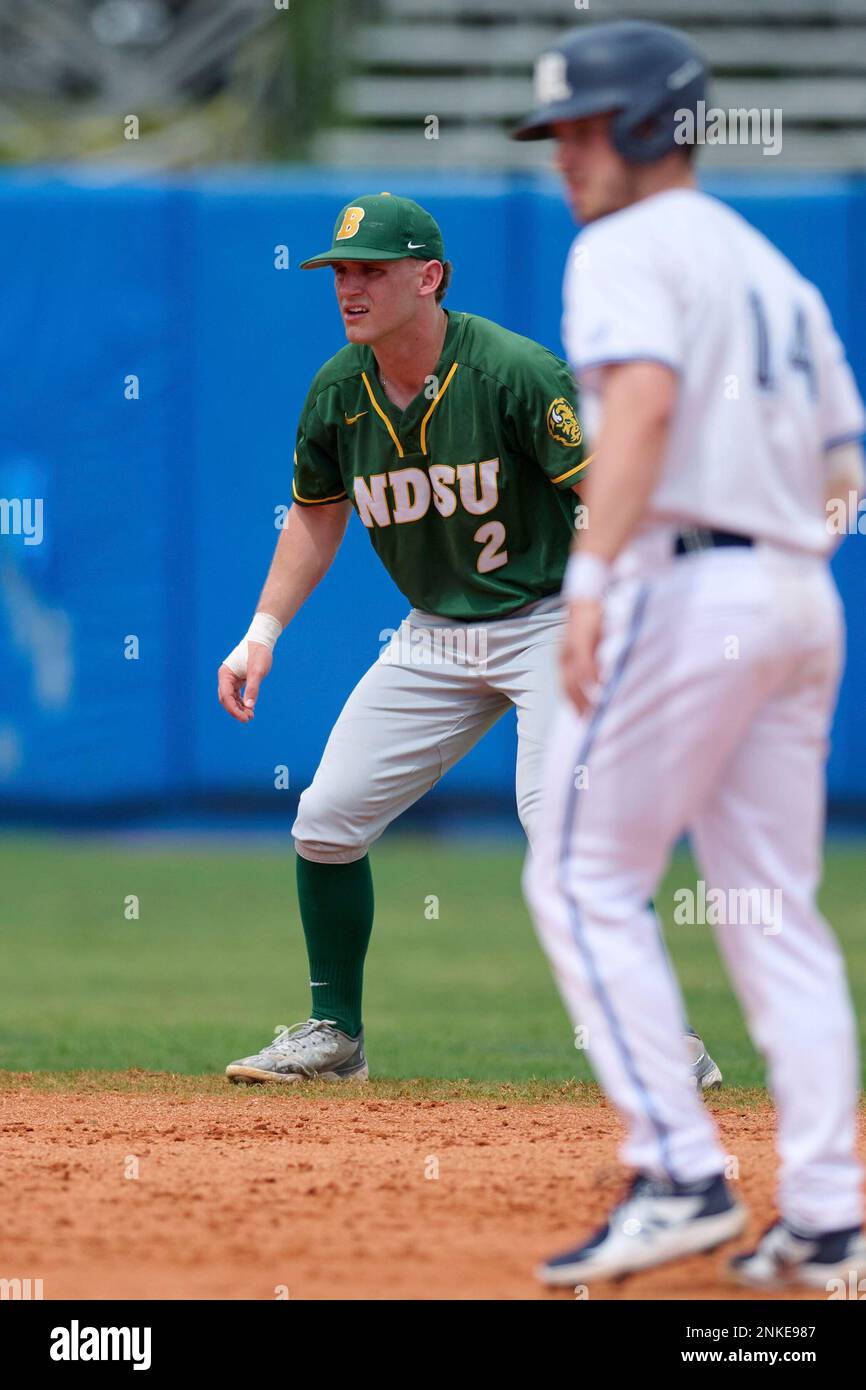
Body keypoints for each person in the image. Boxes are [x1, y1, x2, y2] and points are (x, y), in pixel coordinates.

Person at [216, 191, 720, 1092]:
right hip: (436, 636)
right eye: (340, 272)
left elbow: (611, 496)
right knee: (326, 822)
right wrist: (262, 632)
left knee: (564, 833)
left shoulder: (516, 373)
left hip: (552, 617)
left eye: (372, 269)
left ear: (429, 276)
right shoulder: (340, 391)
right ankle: (336, 1036)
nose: (350, 287)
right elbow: (314, 517)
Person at [515, 20, 866, 1289]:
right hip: (790, 595)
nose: (565, 152)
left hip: (686, 585)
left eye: (585, 125)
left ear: (656, 125)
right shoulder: (770, 269)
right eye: (555, 131)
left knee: (576, 873)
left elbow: (644, 408)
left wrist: (596, 577)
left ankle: (677, 1171)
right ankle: (827, 1222)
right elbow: (846, 463)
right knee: (774, 913)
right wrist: (786, 572)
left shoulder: (619, 247)